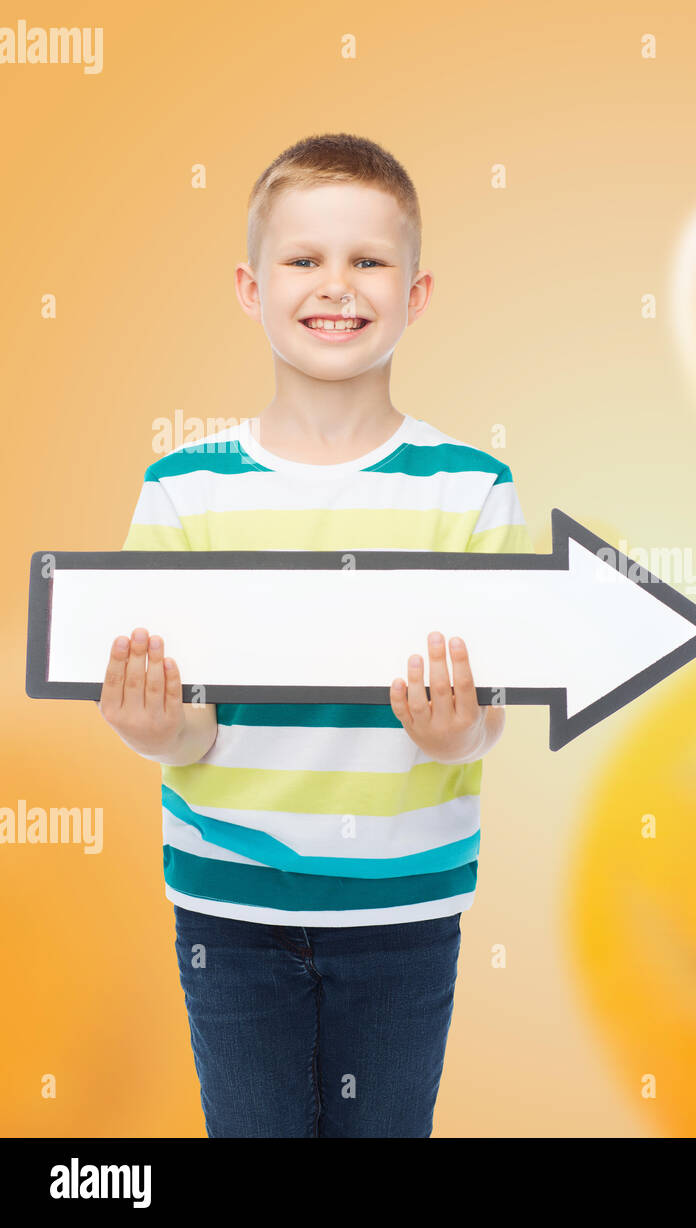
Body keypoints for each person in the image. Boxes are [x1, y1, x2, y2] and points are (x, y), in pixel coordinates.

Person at [96, 133, 533, 1137]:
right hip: (229, 908)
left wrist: (454, 734)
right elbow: (186, 726)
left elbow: (493, 715)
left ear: (415, 295)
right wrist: (155, 731)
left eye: (368, 260)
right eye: (304, 259)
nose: (336, 285)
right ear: (251, 289)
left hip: (405, 908)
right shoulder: (182, 490)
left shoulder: (473, 488)